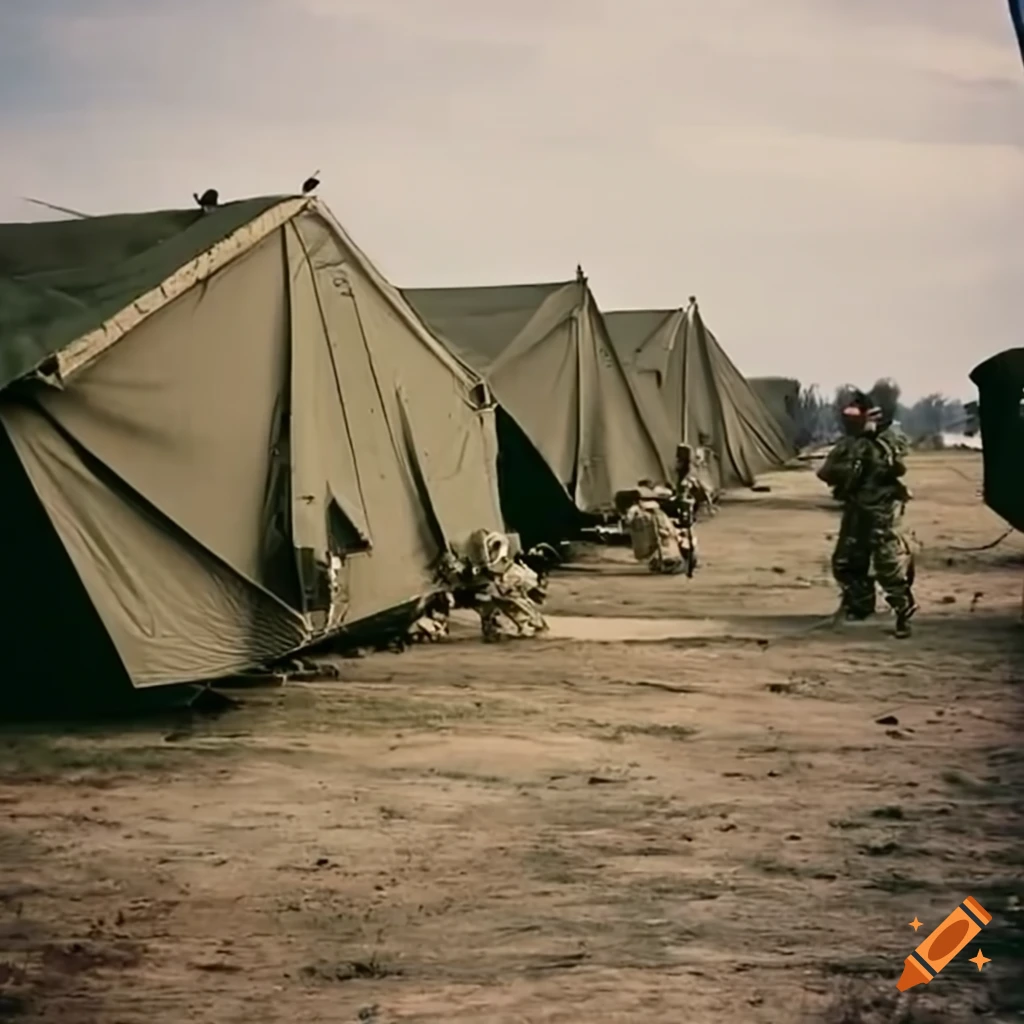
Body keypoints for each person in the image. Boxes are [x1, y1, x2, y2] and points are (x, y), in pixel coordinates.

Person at [817, 392, 918, 638]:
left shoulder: (888, 439)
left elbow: (895, 464)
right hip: (856, 508)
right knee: (847, 561)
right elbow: (827, 471)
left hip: (881, 510)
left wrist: (870, 440)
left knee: (887, 564)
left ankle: (903, 610)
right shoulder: (852, 441)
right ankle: (859, 606)